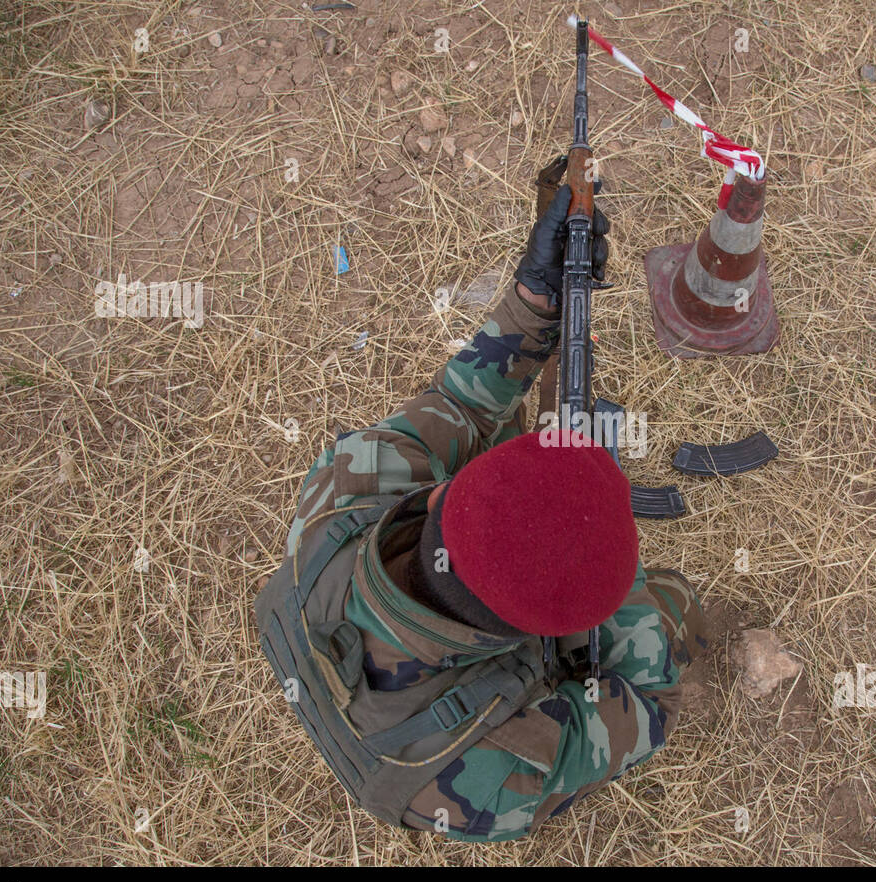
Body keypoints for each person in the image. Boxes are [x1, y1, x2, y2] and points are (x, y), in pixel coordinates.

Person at [261, 178, 709, 841]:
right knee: (672, 609)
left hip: (348, 638)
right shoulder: (501, 778)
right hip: (428, 773)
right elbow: (650, 704)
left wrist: (535, 300)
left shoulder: (351, 486)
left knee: (482, 422)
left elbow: (464, 405)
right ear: (544, 632)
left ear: (440, 493)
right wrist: (617, 585)